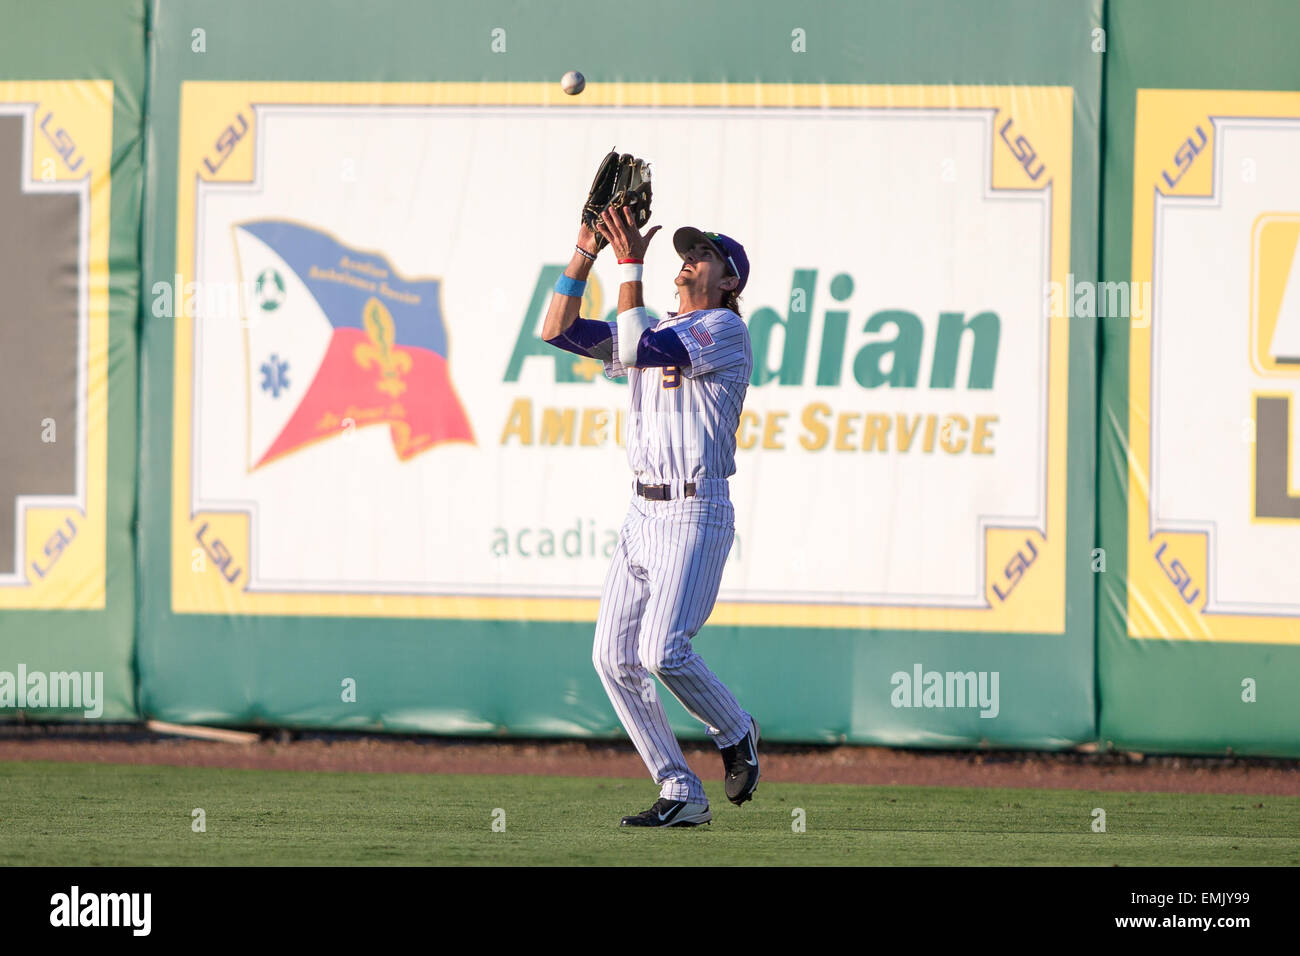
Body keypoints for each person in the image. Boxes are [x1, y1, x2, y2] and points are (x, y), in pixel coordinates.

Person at [541, 204, 760, 827]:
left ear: (728, 281)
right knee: (613, 657)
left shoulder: (724, 330)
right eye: (686, 251)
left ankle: (736, 728)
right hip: (642, 511)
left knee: (662, 650)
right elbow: (556, 330)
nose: (689, 259)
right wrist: (585, 253)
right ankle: (679, 789)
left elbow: (640, 348)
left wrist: (630, 261)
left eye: (704, 255)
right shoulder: (659, 325)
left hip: (695, 508)